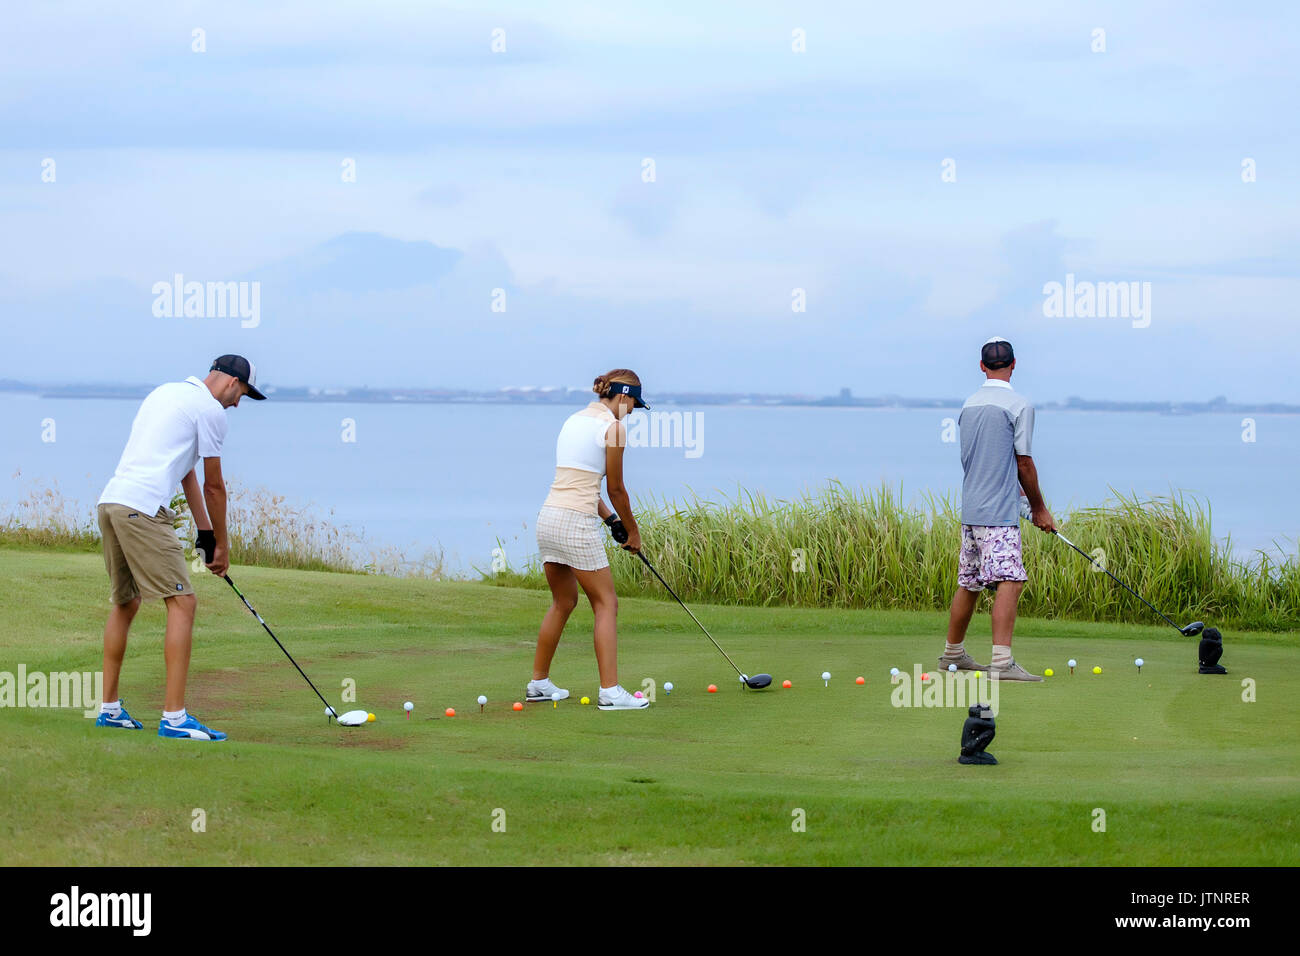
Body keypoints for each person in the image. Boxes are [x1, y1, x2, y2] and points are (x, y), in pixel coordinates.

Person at [94, 355, 266, 739]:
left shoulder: (167, 393)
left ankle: (109, 710)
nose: (239, 403)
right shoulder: (211, 412)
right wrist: (222, 545)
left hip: (112, 503)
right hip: (141, 509)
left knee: (126, 602)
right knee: (183, 602)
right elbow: (214, 486)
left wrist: (204, 533)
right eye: (242, 394)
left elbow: (184, 469)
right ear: (231, 381)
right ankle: (174, 718)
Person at [527, 369, 650, 710]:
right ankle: (610, 692)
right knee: (606, 603)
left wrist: (611, 520)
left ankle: (538, 682)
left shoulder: (573, 420)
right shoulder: (613, 429)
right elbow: (616, 488)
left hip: (549, 517)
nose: (632, 413)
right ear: (623, 397)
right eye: (634, 406)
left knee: (563, 601)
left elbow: (580, 482)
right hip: (575, 523)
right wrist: (633, 531)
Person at [939, 337, 1055, 682]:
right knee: (1010, 580)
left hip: (972, 510)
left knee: (970, 582)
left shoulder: (969, 405)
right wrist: (1039, 509)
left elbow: (983, 460)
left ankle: (952, 654)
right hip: (998, 516)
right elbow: (1024, 463)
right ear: (1014, 364)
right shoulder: (1019, 405)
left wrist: (1013, 490)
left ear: (981, 365)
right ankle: (1002, 664)